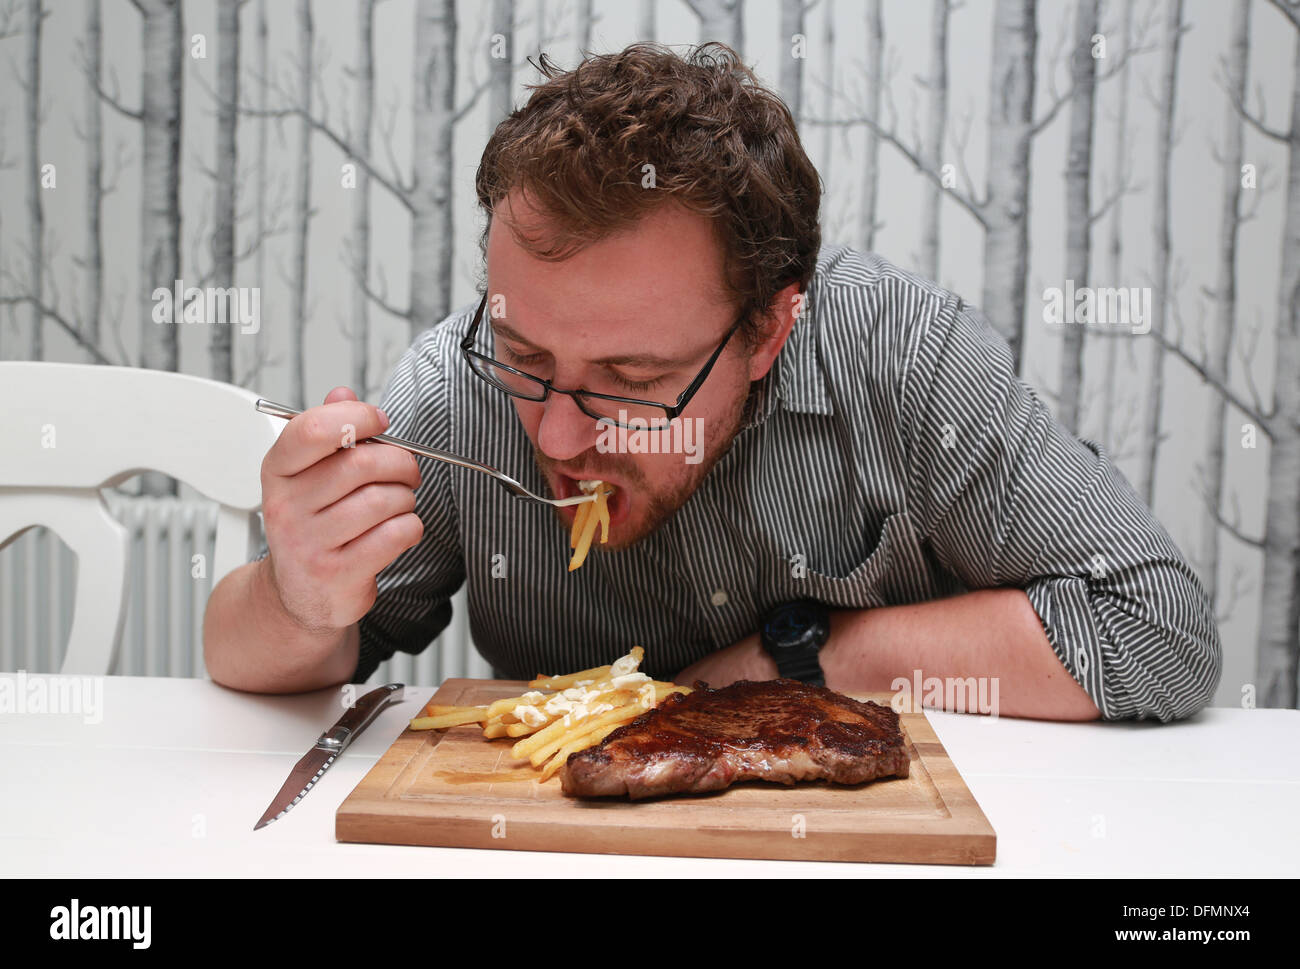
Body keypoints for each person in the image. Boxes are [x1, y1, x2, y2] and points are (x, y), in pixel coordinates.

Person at [203, 43, 1221, 722]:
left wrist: (801, 660)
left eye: (631, 380)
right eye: (527, 362)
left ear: (769, 327)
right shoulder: (457, 385)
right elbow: (258, 658)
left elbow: (1155, 629)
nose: (555, 438)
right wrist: (298, 595)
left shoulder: (902, 357)